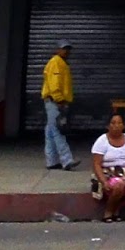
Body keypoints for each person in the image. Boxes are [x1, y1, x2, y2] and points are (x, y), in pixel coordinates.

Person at [91, 111, 125, 222]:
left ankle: (117, 208)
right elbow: (96, 164)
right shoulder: (102, 141)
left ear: (123, 125)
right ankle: (108, 211)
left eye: (119, 123)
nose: (116, 126)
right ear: (108, 126)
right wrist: (104, 181)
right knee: (119, 184)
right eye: (113, 123)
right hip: (108, 174)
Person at [41, 40, 78, 171]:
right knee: (58, 130)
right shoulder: (56, 62)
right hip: (55, 102)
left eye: (68, 49)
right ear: (57, 50)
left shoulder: (62, 63)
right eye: (63, 48)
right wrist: (60, 100)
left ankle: (51, 161)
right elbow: (54, 84)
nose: (66, 51)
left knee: (50, 131)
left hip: (54, 102)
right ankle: (67, 160)